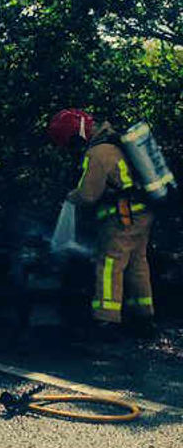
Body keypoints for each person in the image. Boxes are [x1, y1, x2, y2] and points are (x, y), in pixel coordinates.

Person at [47, 108, 156, 340]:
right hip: (142, 212)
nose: (73, 150)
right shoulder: (115, 143)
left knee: (109, 265)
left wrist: (70, 196)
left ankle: (106, 320)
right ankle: (143, 317)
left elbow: (88, 195)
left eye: (71, 144)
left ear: (78, 136)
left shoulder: (97, 153)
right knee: (138, 263)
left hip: (123, 216)